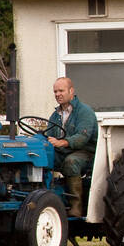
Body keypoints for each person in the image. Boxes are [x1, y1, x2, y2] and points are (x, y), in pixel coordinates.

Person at [46, 77, 97, 218]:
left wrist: (62, 142)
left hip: (86, 152)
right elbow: (49, 134)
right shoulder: (55, 115)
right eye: (55, 91)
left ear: (71, 91)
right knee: (42, 159)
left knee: (71, 162)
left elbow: (82, 137)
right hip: (63, 151)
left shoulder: (84, 112)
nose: (58, 94)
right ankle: (47, 198)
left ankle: (76, 207)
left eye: (61, 90)